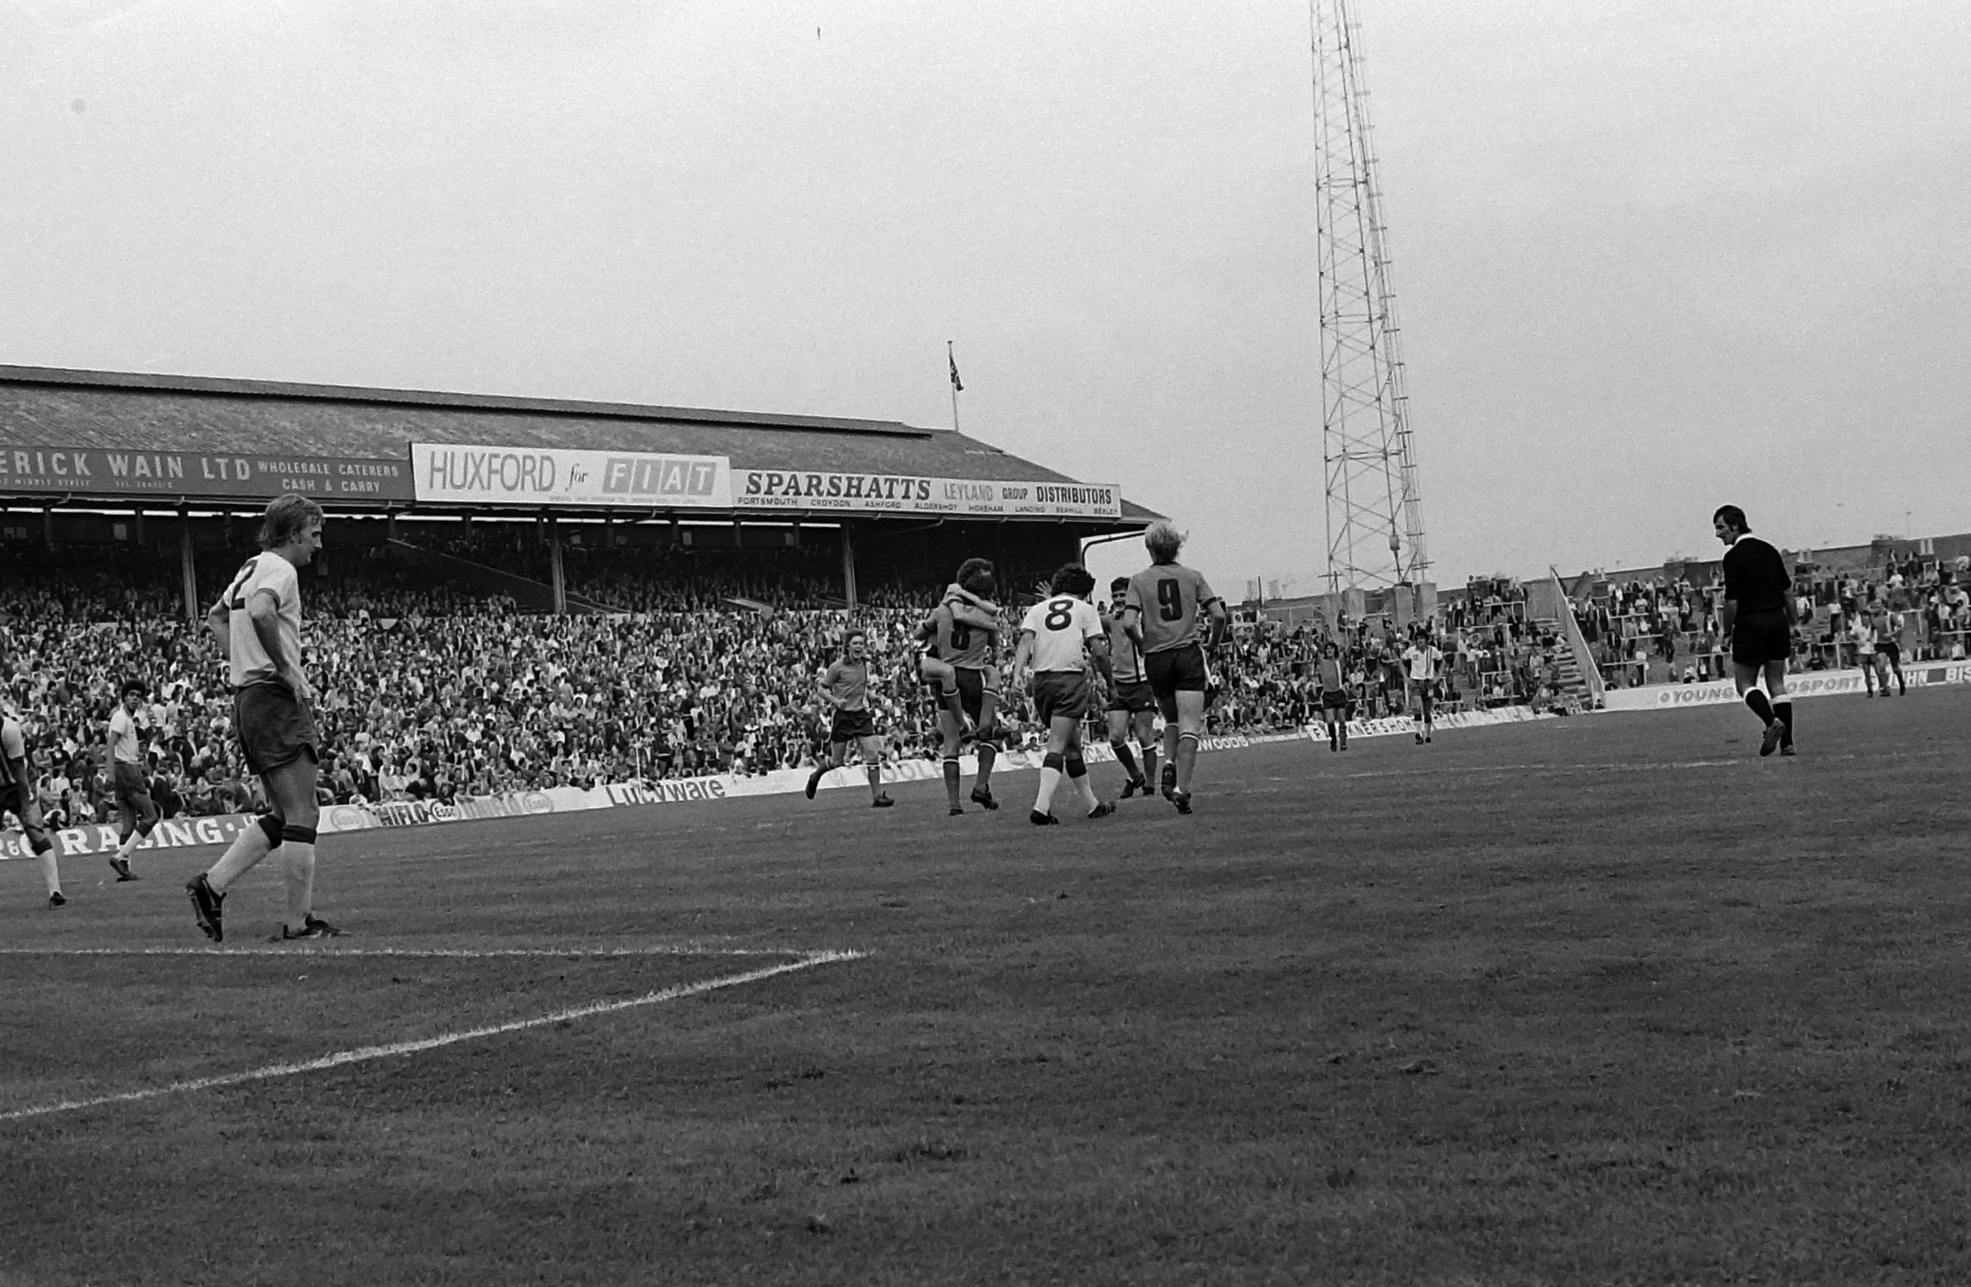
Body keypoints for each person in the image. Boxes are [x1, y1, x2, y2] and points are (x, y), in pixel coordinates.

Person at [186, 494, 343, 943]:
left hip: (249, 697)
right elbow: (260, 611)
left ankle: (211, 886)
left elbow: (217, 616)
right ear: (293, 533)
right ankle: (298, 923)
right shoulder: (280, 569)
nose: (317, 545)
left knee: (281, 813)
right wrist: (285, 668)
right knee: (303, 812)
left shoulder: (248, 568)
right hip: (272, 697)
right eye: (313, 535)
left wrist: (242, 659)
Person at [1121, 520, 1228, 815]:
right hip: (1187, 653)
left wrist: (1143, 643)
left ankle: (1168, 762)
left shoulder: (1138, 581)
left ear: (1149, 548)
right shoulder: (1192, 577)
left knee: (1171, 720)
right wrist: (1214, 643)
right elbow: (1218, 615)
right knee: (1191, 725)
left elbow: (1128, 622)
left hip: (1157, 658)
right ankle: (1182, 788)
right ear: (1177, 546)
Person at [1008, 563, 1115, 825]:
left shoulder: (1036, 609)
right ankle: (1040, 808)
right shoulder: (1085, 610)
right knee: (1058, 743)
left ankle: (1092, 805)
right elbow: (1099, 652)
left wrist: (1016, 675)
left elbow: (1025, 642)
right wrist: (1110, 683)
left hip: (1042, 682)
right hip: (1069, 678)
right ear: (1083, 591)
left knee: (1071, 743)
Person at [916, 559, 1005, 814]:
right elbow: (996, 643)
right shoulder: (986, 611)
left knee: (951, 744)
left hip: (948, 678)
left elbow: (919, 634)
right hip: (973, 676)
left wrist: (932, 631)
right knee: (990, 734)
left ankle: (954, 805)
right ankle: (980, 785)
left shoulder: (943, 609)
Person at [1714, 504, 1797, 757]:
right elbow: (1787, 591)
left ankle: (1771, 722)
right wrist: (1793, 624)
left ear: (1735, 525)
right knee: (1776, 683)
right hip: (1777, 620)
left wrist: (1727, 632)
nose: (1718, 534)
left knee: (1744, 683)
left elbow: (1732, 601)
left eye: (1720, 528)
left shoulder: (1733, 557)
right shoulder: (1770, 551)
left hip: (1751, 623)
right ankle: (1788, 744)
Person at [803, 627, 895, 808]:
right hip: (843, 716)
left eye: (861, 643)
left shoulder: (864, 664)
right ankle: (815, 776)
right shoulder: (837, 667)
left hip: (860, 714)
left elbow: (861, 686)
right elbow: (821, 689)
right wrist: (836, 701)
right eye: (855, 643)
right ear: (848, 647)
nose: (859, 646)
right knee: (837, 760)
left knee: (872, 754)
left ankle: (877, 797)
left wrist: (872, 697)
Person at [1, 687, 64, 908]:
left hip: (20, 783)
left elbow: (18, 769)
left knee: (34, 831)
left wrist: (26, 802)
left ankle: (55, 891)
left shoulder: (9, 730)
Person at [1101, 576, 1158, 796]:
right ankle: (1135, 775)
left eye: (1122, 595)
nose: (1118, 599)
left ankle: (1150, 785)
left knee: (1145, 736)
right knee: (1116, 737)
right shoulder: (1110, 620)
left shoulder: (1142, 617)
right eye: (1115, 596)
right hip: (1120, 685)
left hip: (1142, 683)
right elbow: (1086, 619)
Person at [104, 678, 159, 880]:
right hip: (126, 770)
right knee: (151, 816)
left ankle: (124, 868)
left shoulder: (127, 719)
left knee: (128, 821)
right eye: (132, 695)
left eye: (139, 696)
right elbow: (111, 745)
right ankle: (121, 856)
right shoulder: (121, 718)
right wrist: (109, 771)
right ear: (124, 697)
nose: (136, 699)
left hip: (124, 769)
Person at [1402, 627, 1445, 744]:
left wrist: (1438, 676)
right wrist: (1406, 677)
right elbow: (1401, 662)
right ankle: (1418, 733)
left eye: (1422, 638)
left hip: (1428, 683)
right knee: (1417, 707)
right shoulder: (1411, 651)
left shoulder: (1432, 651)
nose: (1420, 640)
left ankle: (1428, 734)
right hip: (1415, 682)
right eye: (1418, 638)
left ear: (1426, 640)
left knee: (1427, 710)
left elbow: (1442, 661)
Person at [1315, 639, 1350, 751]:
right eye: (1327, 648)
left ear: (1335, 650)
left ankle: (1343, 742)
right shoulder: (1322, 661)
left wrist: (1354, 629)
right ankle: (1333, 738)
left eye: (1331, 648)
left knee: (1342, 719)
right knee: (1330, 721)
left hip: (1339, 692)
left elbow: (1349, 646)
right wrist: (1306, 633)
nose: (1329, 650)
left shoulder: (1339, 660)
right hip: (1328, 694)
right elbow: (1310, 646)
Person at [1874, 605, 1907, 696]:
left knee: (1895, 669)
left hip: (1891, 644)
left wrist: (1891, 633)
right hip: (1879, 644)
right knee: (1881, 665)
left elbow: (1901, 627)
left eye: (1878, 606)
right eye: (1875, 606)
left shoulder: (1890, 616)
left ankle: (1902, 684)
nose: (1877, 608)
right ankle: (1885, 688)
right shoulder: (1873, 618)